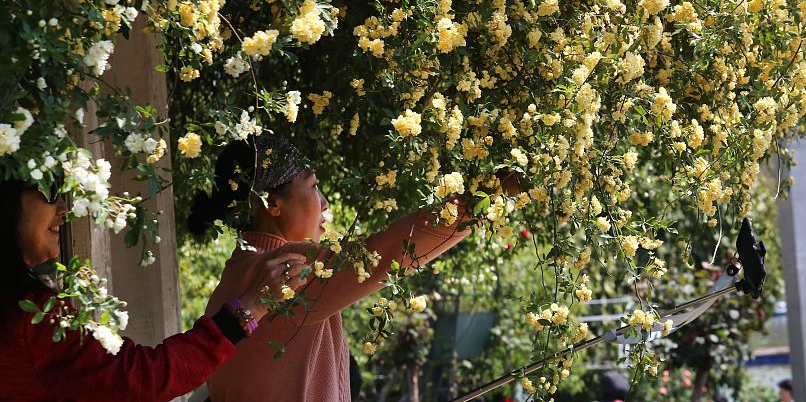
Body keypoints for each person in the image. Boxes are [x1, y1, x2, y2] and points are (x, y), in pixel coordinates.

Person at [191, 137, 476, 402]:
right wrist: (483, 201)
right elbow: (386, 252)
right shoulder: (284, 271)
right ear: (273, 204)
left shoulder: (235, 276)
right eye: (314, 186)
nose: (324, 203)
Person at [0, 176, 306, 402]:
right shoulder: (31, 317)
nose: (63, 208)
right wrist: (247, 310)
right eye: (50, 190)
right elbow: (141, 379)